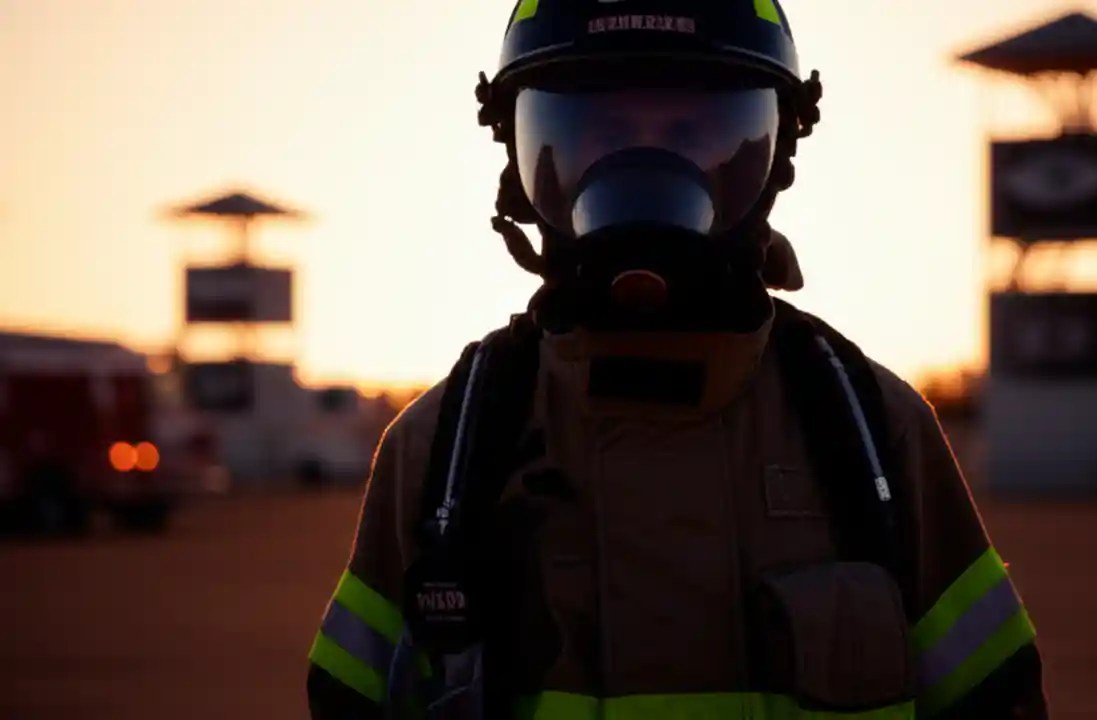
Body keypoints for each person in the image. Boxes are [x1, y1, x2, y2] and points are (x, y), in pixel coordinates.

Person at [307, 1, 1049, 718]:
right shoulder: (440, 453)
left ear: (777, 155)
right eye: (600, 130)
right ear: (520, 159)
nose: (644, 178)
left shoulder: (874, 433)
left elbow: (994, 698)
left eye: (694, 130)